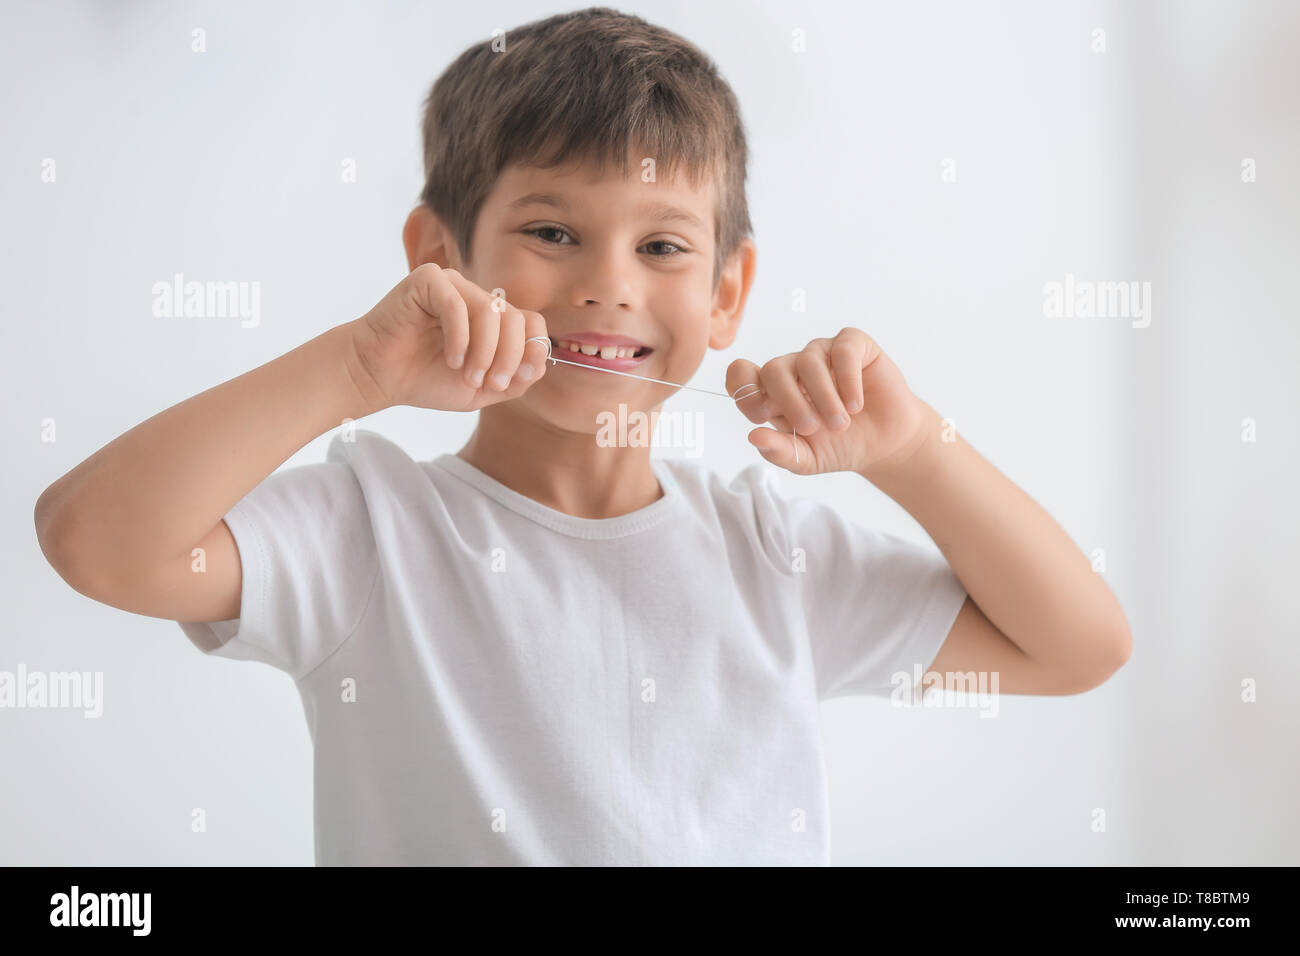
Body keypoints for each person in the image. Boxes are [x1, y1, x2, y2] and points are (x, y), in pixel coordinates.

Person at [33, 7, 1131, 865]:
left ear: (726, 294)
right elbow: (97, 541)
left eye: (662, 247)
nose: (608, 286)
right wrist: (357, 369)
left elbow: (1077, 645)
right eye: (552, 231)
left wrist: (913, 451)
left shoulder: (772, 557)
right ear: (438, 256)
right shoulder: (367, 531)